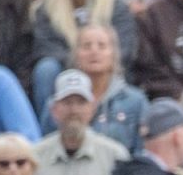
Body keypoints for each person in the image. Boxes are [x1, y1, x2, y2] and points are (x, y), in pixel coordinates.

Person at [29, 0, 138, 110]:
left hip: (106, 72)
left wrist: (95, 59)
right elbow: (45, 47)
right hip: (65, 73)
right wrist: (80, 60)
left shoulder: (115, 4)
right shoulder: (48, 6)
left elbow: (125, 48)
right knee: (45, 69)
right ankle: (48, 127)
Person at [34, 65, 129, 175]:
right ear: (54, 109)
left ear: (92, 108)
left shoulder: (115, 155)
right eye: (67, 102)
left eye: (81, 102)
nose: (74, 110)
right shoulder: (36, 155)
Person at [47, 20, 145, 149]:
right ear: (76, 54)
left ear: (114, 54)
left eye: (102, 46)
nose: (94, 51)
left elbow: (142, 149)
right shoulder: (57, 103)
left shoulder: (135, 101)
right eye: (87, 46)